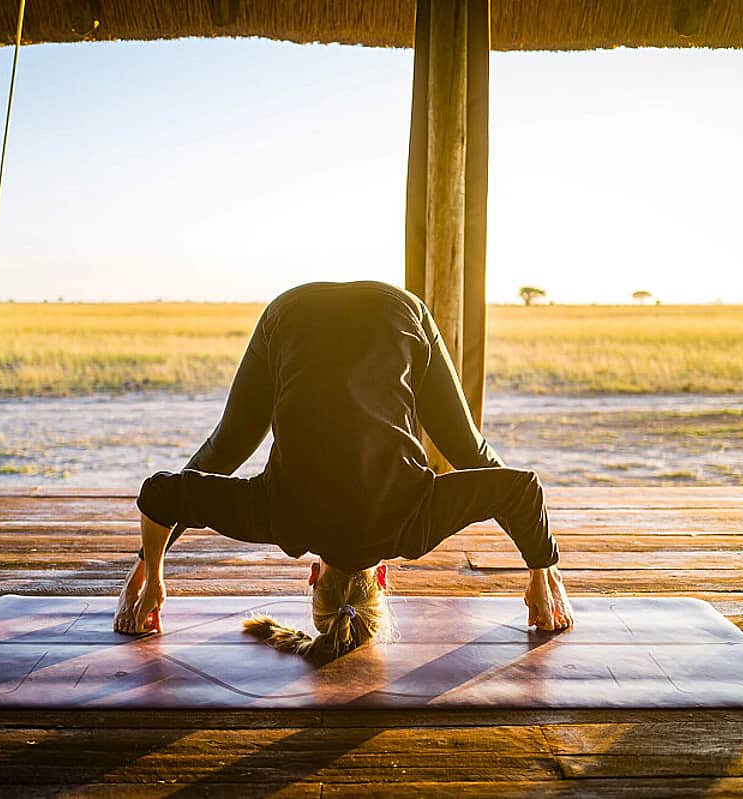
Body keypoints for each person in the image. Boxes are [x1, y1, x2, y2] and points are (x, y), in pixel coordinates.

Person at [115, 280, 574, 663]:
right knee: (224, 450)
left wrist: (541, 569)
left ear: (382, 579)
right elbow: (162, 495)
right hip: (292, 315)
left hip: (396, 312)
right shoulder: (281, 521)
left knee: (469, 452)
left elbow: (519, 488)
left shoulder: (413, 528)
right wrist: (150, 572)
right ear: (314, 577)